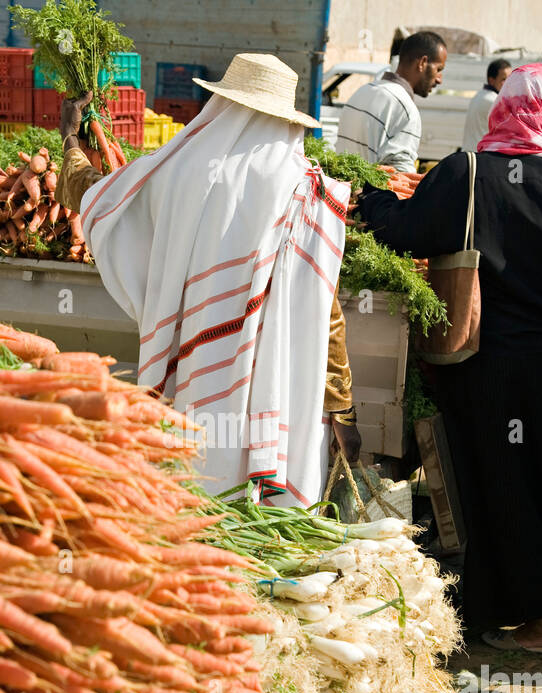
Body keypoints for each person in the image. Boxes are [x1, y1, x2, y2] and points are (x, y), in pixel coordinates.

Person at [359, 64, 542, 652]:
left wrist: (368, 194)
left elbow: (402, 231)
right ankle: (522, 610)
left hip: (490, 361)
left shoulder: (467, 173)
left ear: (502, 106)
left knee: (499, 484)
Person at [55, 53, 362, 506]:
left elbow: (104, 199)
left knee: (194, 484)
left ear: (224, 104)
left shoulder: (180, 170)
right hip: (271, 386)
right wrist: (342, 408)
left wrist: (70, 141)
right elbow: (323, 308)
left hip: (193, 372)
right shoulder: (306, 191)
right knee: (269, 530)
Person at [336, 30, 447, 170]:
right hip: (369, 191)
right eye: (439, 69)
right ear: (422, 63)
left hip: (342, 189)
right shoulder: (405, 108)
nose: (439, 79)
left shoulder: (362, 91)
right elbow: (401, 174)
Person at [461, 57, 512, 150]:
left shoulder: (480, 94)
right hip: (480, 155)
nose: (508, 83)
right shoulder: (493, 100)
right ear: (492, 80)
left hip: (471, 152)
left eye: (510, 78)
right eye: (503, 79)